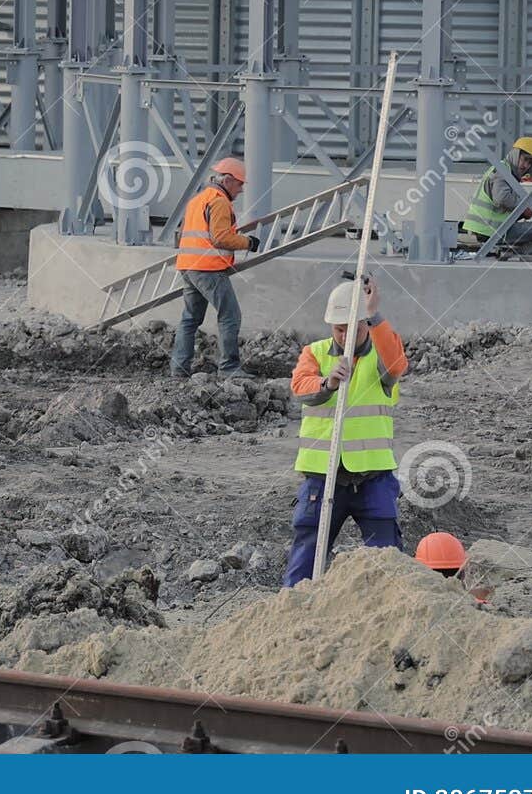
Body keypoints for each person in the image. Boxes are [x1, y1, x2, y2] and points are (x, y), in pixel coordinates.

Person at [281, 276, 408, 586]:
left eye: (353, 327)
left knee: (387, 560)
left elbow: (396, 367)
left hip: (372, 477)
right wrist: (329, 383)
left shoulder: (382, 351)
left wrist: (375, 313)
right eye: (339, 329)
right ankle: (294, 613)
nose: (345, 335)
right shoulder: (316, 353)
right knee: (306, 556)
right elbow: (301, 387)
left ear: (365, 323)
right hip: (324, 478)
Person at [170, 157, 259, 378]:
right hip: (208, 269)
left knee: (190, 319)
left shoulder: (198, 200)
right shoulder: (219, 201)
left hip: (188, 266)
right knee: (230, 315)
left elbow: (182, 235)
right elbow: (220, 238)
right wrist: (248, 242)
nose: (240, 191)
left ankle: (179, 369)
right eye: (239, 185)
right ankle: (229, 368)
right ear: (228, 180)